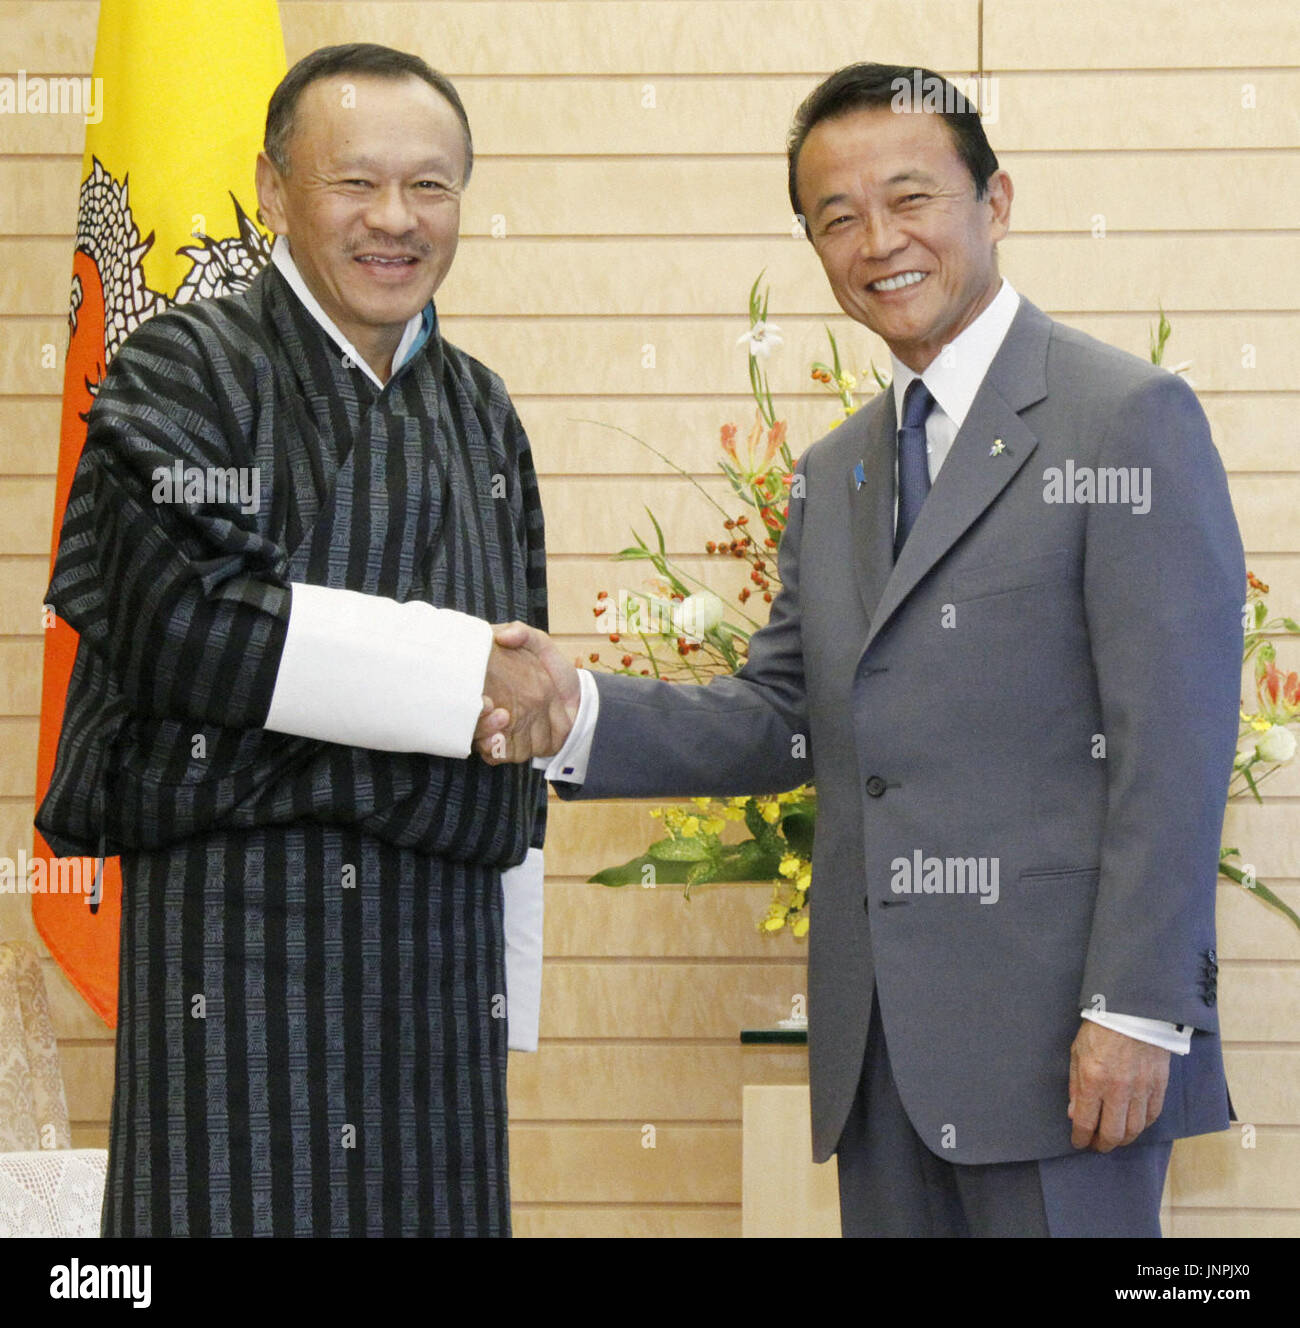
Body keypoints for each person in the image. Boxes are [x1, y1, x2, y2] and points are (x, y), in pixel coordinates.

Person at [481, 62, 1243, 1238]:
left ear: (994, 203)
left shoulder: (1122, 416)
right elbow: (787, 712)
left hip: (1066, 1057)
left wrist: (1138, 1010)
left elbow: (1175, 739)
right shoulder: (838, 468)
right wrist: (575, 707)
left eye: (910, 198)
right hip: (879, 1065)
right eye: (835, 217)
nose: (875, 240)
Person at [38, 43, 574, 1237]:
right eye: (355, 183)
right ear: (274, 190)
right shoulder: (186, 368)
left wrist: (511, 982)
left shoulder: (482, 407)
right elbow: (192, 627)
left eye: (430, 187)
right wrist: (452, 685)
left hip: (442, 958)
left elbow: (519, 706)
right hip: (237, 948)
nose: (397, 219)